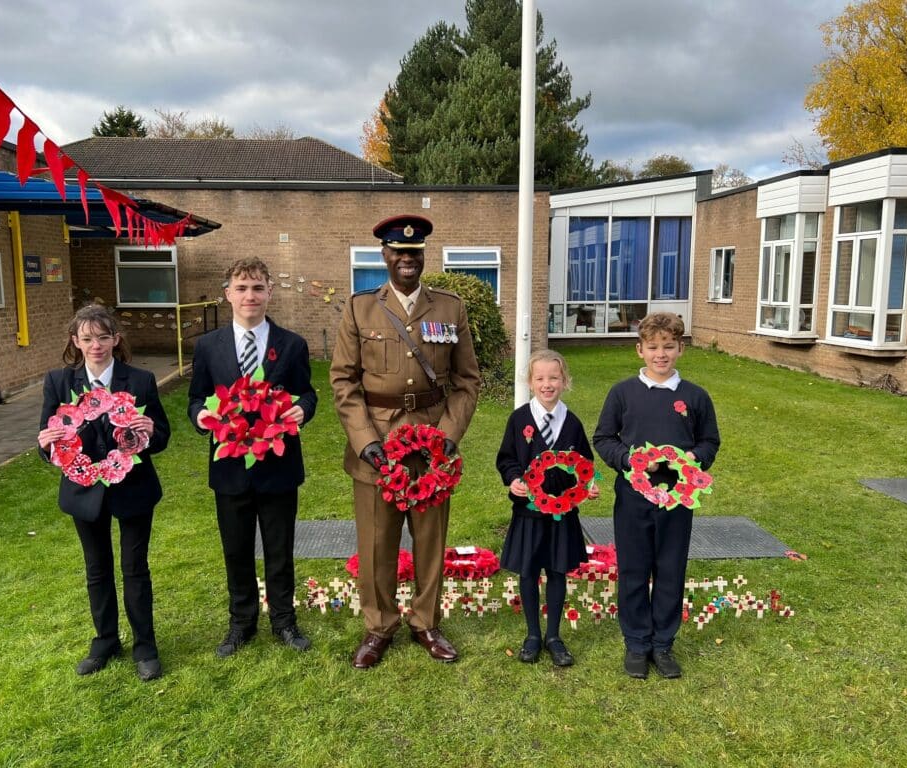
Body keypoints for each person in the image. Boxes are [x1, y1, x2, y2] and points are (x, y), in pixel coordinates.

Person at [330, 214, 481, 669]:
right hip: (377, 440)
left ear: (423, 256)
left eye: (414, 253)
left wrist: (449, 437)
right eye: (398, 252)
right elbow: (343, 380)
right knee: (377, 541)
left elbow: (467, 380)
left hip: (431, 442)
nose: (407, 260)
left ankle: (426, 622)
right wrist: (364, 441)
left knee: (430, 539)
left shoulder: (450, 308)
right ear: (385, 256)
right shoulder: (361, 308)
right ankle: (378, 627)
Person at [188, 257, 317, 657]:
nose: (250, 296)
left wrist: (303, 409)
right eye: (242, 288)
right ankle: (241, 623)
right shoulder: (208, 346)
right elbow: (195, 398)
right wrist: (201, 417)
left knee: (279, 549)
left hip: (278, 467)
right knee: (236, 548)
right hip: (229, 468)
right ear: (228, 294)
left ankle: (284, 621)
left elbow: (307, 393)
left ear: (269, 293)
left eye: (258, 288)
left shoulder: (291, 344)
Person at [37, 304, 170, 681]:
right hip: (83, 490)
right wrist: (46, 444)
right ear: (75, 342)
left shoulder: (141, 380)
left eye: (103, 337)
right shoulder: (59, 381)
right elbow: (48, 443)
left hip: (133, 490)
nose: (96, 345)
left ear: (116, 339)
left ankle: (145, 645)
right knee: (97, 569)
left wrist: (149, 430)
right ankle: (106, 640)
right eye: (87, 338)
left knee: (134, 568)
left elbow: (160, 437)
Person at [592, 312, 720, 680]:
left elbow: (710, 440)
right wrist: (629, 460)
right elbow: (604, 438)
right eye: (653, 347)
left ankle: (663, 644)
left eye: (668, 347)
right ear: (639, 350)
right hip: (633, 498)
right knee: (633, 568)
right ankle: (636, 643)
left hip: (677, 501)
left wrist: (697, 457)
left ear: (680, 348)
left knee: (669, 568)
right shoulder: (623, 393)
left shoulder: (695, 397)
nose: (660, 354)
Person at [496, 349, 599, 667]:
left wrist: (588, 486)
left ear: (564, 381)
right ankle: (532, 635)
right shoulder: (519, 420)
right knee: (529, 571)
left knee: (557, 570)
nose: (547, 384)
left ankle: (553, 636)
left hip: (562, 514)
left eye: (554, 377)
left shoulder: (572, 423)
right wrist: (514, 478)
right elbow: (507, 458)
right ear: (530, 382)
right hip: (528, 512)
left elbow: (585, 463)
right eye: (540, 378)